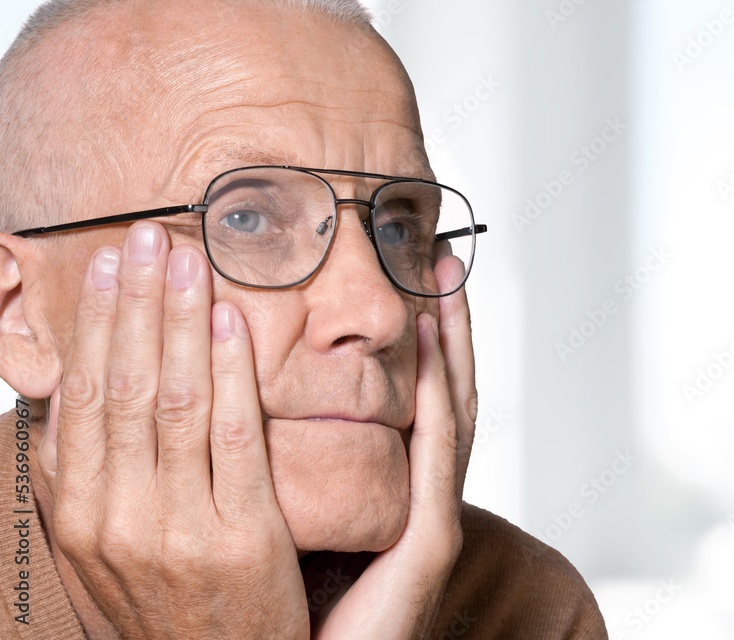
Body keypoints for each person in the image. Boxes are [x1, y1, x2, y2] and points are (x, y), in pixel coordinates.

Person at [0, 0, 608, 637]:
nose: (379, 312)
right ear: (18, 313)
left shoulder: (529, 608)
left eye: (398, 226)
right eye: (245, 219)